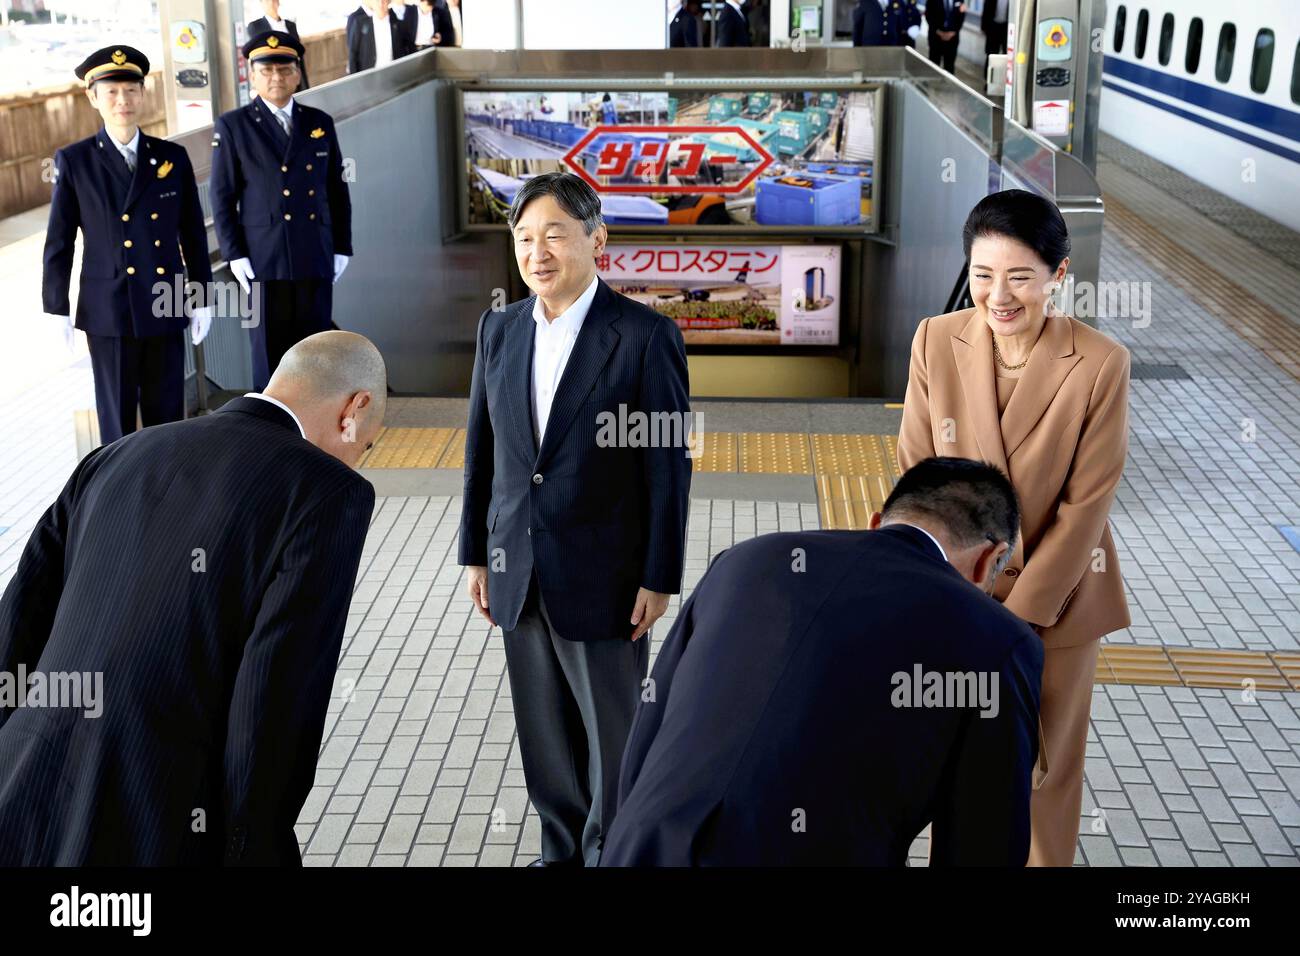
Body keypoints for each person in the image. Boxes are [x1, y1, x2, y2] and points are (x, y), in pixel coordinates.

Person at [0, 331, 385, 866]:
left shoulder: (118, 454)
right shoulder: (326, 490)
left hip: (23, 780)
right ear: (355, 408)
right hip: (158, 809)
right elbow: (277, 689)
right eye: (366, 446)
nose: (357, 460)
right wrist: (253, 842)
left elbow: (19, 618)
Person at [602, 457, 1043, 866]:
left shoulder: (744, 560)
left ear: (876, 523)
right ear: (989, 559)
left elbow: (649, 724)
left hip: (642, 844)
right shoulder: (1000, 640)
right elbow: (985, 842)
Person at [458, 172, 692, 867]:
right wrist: (478, 552)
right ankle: (560, 854)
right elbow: (482, 452)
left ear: (597, 239)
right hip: (518, 568)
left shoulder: (645, 337)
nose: (538, 252)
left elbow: (667, 466)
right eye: (525, 238)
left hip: (608, 577)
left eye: (555, 234)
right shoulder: (497, 330)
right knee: (546, 740)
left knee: (612, 740)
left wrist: (659, 574)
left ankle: (610, 856)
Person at [898, 189, 1131, 867]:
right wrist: (936, 586)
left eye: (1020, 278)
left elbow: (1087, 503)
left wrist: (1018, 615)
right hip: (953, 588)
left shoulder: (1098, 362)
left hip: (1054, 603)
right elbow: (916, 472)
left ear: (1058, 276)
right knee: (951, 758)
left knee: (1043, 770)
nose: (998, 296)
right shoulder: (935, 340)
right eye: (983, 275)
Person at [42, 45, 212, 446]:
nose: (123, 101)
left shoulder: (172, 157)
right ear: (93, 97)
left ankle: (168, 494)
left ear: (142, 93)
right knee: (116, 420)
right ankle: (119, 499)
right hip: (108, 310)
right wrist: (56, 308)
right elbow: (59, 241)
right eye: (112, 92)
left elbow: (192, 232)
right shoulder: (75, 161)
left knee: (168, 416)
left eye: (131, 90)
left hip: (165, 301)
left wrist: (201, 296)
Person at [210, 31, 353, 390]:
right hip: (262, 258)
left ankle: (314, 430)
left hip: (314, 252)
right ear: (252, 75)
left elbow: (336, 189)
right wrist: (235, 252)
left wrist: (342, 246)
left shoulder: (319, 122)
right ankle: (270, 433)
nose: (277, 77)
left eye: (285, 68)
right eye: (267, 69)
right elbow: (222, 196)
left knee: (315, 349)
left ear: (298, 73)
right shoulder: (234, 125)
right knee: (268, 353)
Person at [247, 0, 310, 89]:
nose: (271, 3)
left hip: (292, 74)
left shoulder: (290, 25)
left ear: (278, 2)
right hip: (271, 80)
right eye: (267, 1)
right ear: (261, 4)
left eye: (274, 0)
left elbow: (299, 58)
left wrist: (304, 85)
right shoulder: (255, 26)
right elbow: (256, 59)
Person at [346, 0, 415, 74]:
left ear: (389, 2)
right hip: (369, 76)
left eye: (384, 1)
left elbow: (408, 49)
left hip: (393, 75)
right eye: (377, 1)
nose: (380, 4)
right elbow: (353, 53)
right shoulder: (360, 24)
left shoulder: (399, 25)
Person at [852, 0, 921, 47]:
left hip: (891, 45)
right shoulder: (865, 2)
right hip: (870, 45)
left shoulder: (898, 2)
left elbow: (903, 22)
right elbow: (858, 26)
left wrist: (915, 25)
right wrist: (856, 48)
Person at [926, 0, 966, 73]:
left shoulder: (960, 0)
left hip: (952, 40)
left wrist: (953, 32)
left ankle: (947, 84)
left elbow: (961, 16)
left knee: (949, 68)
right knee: (933, 66)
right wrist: (939, 32)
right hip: (936, 38)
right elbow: (928, 15)